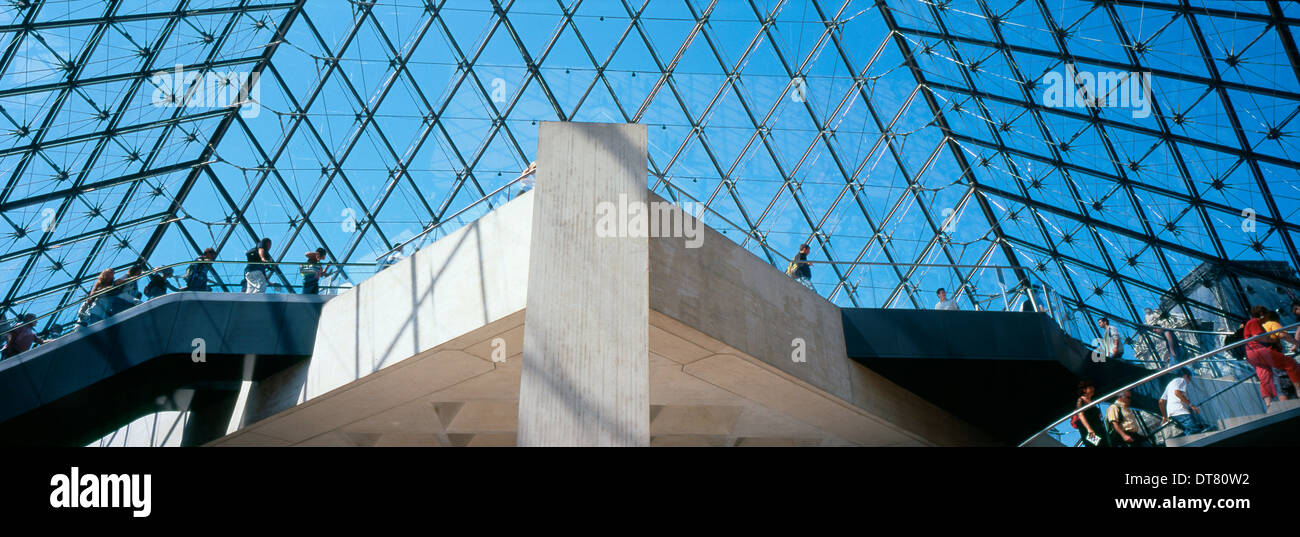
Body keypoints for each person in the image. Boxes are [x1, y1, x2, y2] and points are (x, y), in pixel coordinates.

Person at [1243, 305, 1300, 407]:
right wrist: (1273, 340)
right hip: (1258, 350)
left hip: (1250, 353)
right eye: (1267, 315)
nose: (1267, 318)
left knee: (1265, 375)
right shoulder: (1254, 322)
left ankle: (1268, 403)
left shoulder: (1253, 324)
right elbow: (1258, 337)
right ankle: (1299, 390)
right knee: (1290, 362)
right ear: (1261, 314)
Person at [1159, 369, 1212, 437]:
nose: (1189, 381)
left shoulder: (1169, 385)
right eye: (1189, 378)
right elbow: (1177, 393)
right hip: (1180, 411)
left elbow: (1161, 402)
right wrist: (1191, 405)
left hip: (1172, 414)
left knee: (1189, 431)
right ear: (1186, 376)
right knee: (1195, 431)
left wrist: (1164, 416)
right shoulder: (1181, 380)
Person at [1073, 380, 1107, 447]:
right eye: (1090, 387)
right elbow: (1080, 415)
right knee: (1095, 445)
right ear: (1084, 390)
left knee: (1103, 444)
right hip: (1089, 430)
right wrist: (1089, 429)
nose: (1093, 389)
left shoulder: (1091, 401)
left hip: (1097, 429)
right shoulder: (1081, 400)